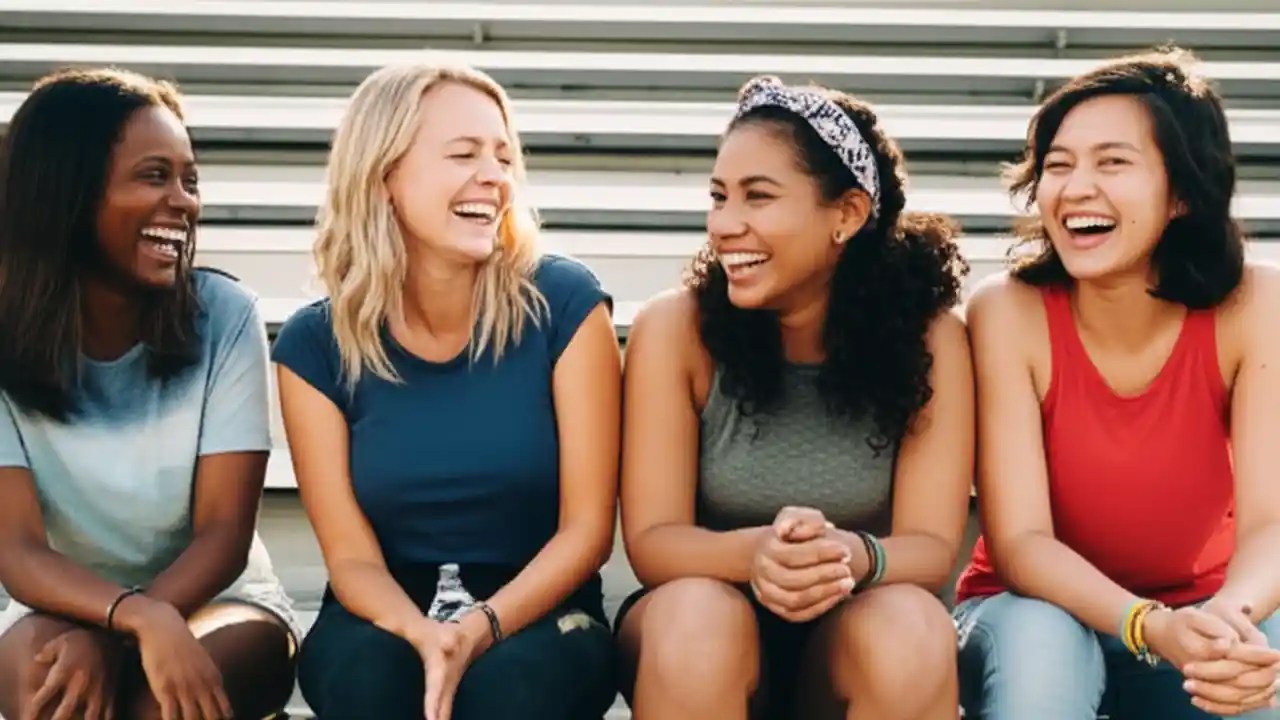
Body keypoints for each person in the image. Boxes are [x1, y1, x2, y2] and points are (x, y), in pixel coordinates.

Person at [614, 74, 975, 720]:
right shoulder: (676, 329)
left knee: (912, 630)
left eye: (758, 197)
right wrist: (759, 553)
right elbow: (653, 541)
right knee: (699, 621)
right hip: (696, 630)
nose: (725, 225)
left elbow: (929, 548)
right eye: (719, 197)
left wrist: (848, 555)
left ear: (848, 214)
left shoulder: (933, 339)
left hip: (851, 629)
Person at [272, 62, 621, 720]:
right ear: (383, 177)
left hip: (539, 607)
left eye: (504, 156)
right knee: (366, 681)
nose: (495, 176)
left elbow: (587, 531)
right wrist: (423, 635)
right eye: (463, 154)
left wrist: (480, 628)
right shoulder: (313, 346)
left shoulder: (566, 306)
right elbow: (350, 559)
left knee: (510, 689)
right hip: (383, 606)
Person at [953, 47, 1280, 720]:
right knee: (1046, 650)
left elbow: (1271, 523)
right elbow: (1021, 547)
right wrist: (1148, 623)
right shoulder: (1006, 311)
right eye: (1058, 165)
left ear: (1184, 191)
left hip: (1200, 607)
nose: (1075, 188)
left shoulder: (1257, 304)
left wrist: (1225, 626)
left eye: (1113, 162)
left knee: (1256, 662)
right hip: (1029, 613)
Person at [0, 68, 299, 720]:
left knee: (165, 704)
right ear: (68, 193)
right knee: (52, 691)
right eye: (154, 176)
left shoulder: (225, 315)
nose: (185, 201)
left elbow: (223, 533)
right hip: (55, 602)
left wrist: (138, 622)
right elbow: (17, 549)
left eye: (190, 180)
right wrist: (123, 619)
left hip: (218, 599)